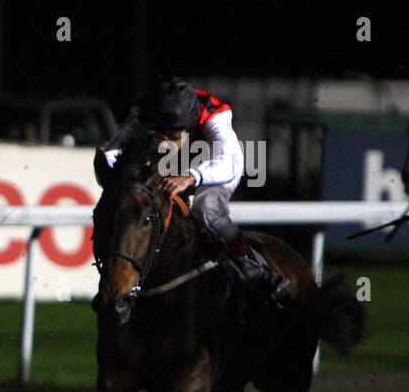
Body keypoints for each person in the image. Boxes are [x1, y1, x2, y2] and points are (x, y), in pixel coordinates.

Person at [97, 75, 291, 306]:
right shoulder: (142, 113)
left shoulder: (215, 116)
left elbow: (229, 163)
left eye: (174, 135)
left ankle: (257, 268)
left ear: (190, 124)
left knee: (206, 209)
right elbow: (112, 153)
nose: (165, 142)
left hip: (214, 166)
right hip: (166, 167)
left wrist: (192, 176)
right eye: (158, 132)